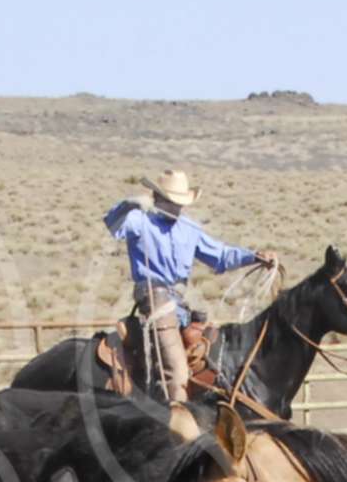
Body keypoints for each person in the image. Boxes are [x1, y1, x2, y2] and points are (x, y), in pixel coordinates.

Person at [103, 170, 270, 435]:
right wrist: (130, 203)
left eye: (180, 202)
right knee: (177, 372)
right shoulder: (139, 220)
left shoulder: (189, 229)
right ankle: (176, 436)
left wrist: (253, 257)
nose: (177, 207)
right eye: (171, 200)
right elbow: (113, 224)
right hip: (153, 297)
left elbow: (221, 256)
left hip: (179, 302)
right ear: (156, 197)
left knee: (209, 352)